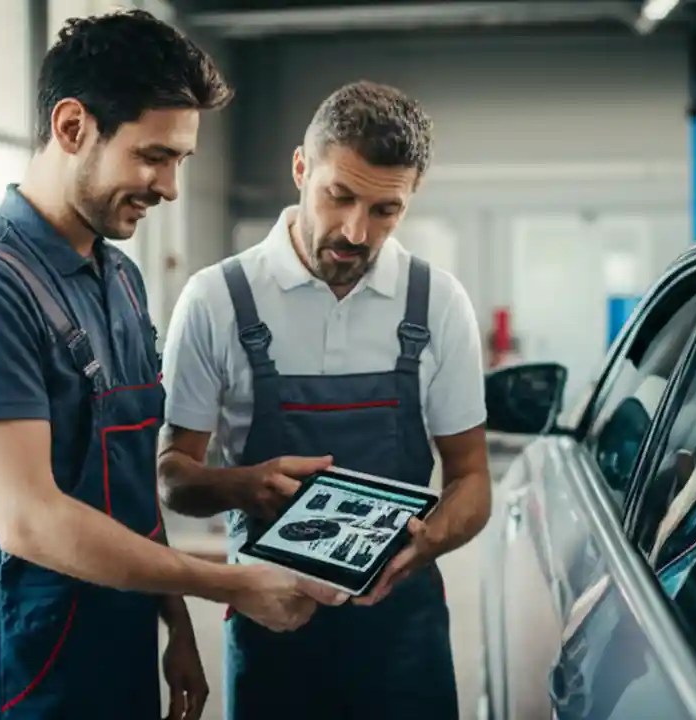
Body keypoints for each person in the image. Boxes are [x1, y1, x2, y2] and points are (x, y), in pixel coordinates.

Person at [0, 11, 344, 720]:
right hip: (24, 658)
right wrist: (226, 584)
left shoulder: (120, 279)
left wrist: (176, 621)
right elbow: (28, 520)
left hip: (122, 631)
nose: (169, 187)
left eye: (180, 161)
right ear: (72, 126)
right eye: (153, 156)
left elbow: (131, 484)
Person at [159, 80, 493, 719]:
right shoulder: (217, 299)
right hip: (271, 622)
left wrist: (424, 544)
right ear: (300, 169)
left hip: (404, 630)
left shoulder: (436, 303)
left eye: (386, 210)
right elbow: (173, 477)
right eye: (338, 196)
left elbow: (472, 478)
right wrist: (242, 485)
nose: (356, 231)